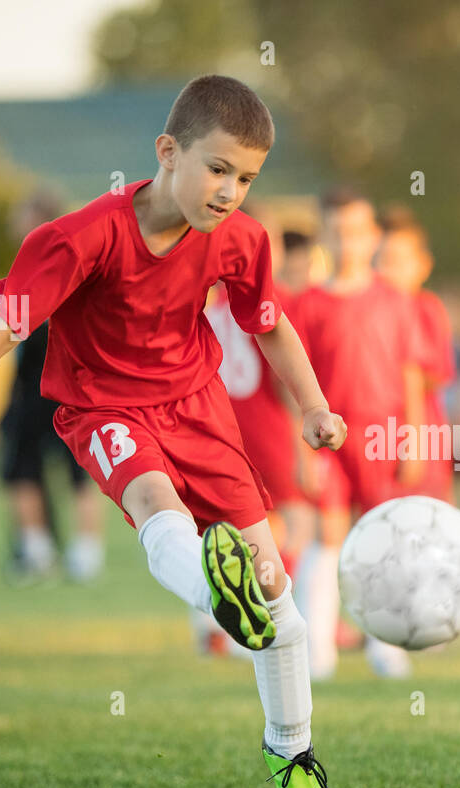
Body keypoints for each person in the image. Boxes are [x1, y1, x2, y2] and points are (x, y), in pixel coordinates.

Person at [0, 75, 345, 788]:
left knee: (280, 598)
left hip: (199, 409)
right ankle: (213, 588)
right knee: (154, 506)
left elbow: (269, 325)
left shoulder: (240, 239)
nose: (232, 190)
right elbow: (4, 330)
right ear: (167, 152)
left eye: (247, 178)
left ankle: (292, 753)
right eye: (218, 169)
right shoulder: (82, 238)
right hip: (103, 407)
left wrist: (311, 406)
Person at [291, 188, 426, 679]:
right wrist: (301, 449)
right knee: (327, 537)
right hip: (329, 436)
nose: (348, 242)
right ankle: (318, 650)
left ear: (373, 237)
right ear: (324, 236)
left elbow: (410, 373)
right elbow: (295, 380)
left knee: (380, 538)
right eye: (337, 232)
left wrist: (410, 437)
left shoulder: (394, 299)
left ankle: (385, 644)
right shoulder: (306, 304)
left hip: (382, 435)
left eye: (357, 232)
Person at [197, 205, 316, 657]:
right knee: (296, 520)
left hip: (219, 424)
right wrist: (305, 439)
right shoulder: (271, 296)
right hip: (267, 426)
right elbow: (286, 375)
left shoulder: (208, 298)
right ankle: (265, 615)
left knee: (224, 530)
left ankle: (212, 625)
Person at [0, 188, 106, 585]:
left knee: (26, 470)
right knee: (75, 473)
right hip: (70, 388)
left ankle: (47, 551)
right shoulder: (71, 263)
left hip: (46, 388)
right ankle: (75, 554)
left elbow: (17, 330)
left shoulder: (44, 266)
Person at [376, 205, 457, 502]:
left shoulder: (426, 309)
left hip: (422, 438)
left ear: (422, 265)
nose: (385, 271)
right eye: (380, 261)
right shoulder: (368, 310)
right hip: (373, 439)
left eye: (396, 261)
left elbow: (436, 374)